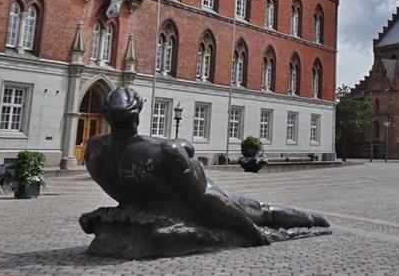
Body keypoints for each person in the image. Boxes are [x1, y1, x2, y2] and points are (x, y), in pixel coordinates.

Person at [83, 87, 328, 246]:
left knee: (263, 211)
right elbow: (207, 200)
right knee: (264, 212)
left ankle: (317, 221)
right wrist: (251, 231)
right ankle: (316, 221)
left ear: (106, 117)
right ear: (137, 115)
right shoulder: (163, 151)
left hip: (152, 210)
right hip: (196, 209)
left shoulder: (93, 152)